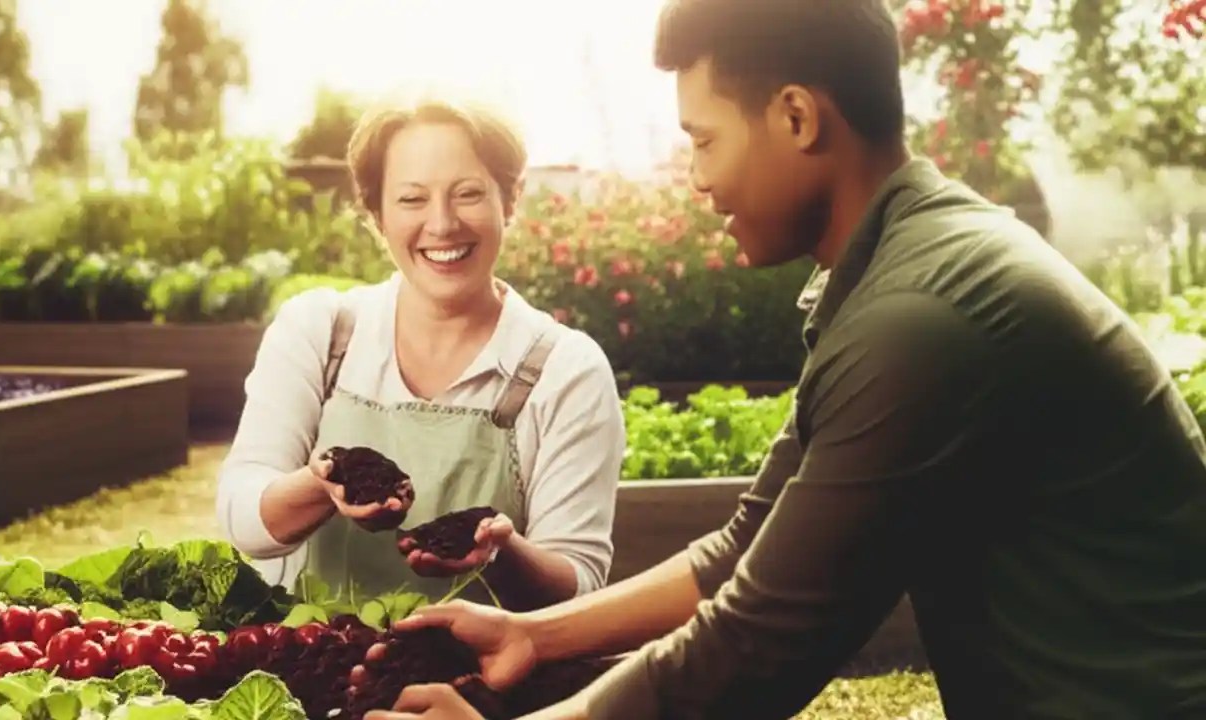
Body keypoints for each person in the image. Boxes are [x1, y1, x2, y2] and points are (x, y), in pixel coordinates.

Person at [355, 0, 1206, 718]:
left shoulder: (922, 318)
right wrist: (533, 636)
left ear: (797, 117)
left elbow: (756, 647)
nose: (695, 178)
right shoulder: (901, 269)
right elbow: (741, 550)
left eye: (705, 140)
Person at [215, 96, 625, 612]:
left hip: (481, 687)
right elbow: (242, 514)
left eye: (469, 194)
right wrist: (322, 487)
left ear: (511, 200)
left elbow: (579, 583)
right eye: (411, 199)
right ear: (376, 215)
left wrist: (501, 552)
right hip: (310, 673)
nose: (443, 224)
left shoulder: (565, 371)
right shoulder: (319, 333)